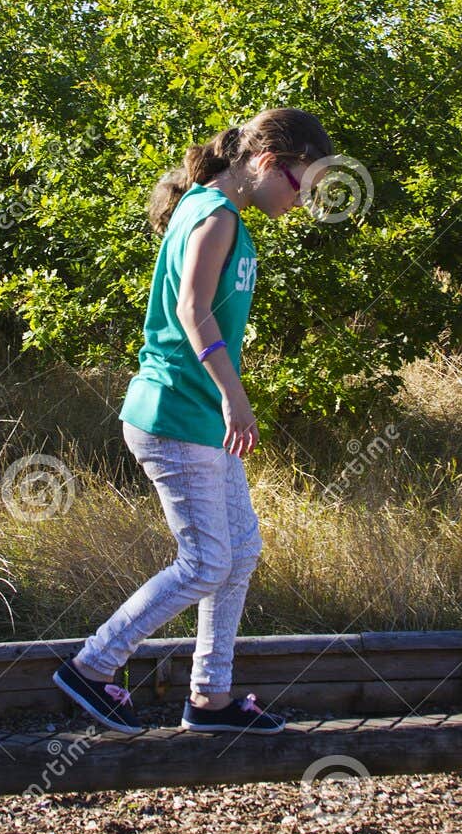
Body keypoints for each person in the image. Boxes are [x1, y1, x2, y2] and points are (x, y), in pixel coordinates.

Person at [52, 107, 335, 736]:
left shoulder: (217, 210)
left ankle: (211, 697)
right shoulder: (213, 215)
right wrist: (236, 397)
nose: (302, 201)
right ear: (267, 164)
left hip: (199, 416)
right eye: (301, 186)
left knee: (238, 552)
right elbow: (192, 310)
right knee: (207, 561)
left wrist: (225, 402)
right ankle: (93, 667)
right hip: (177, 412)